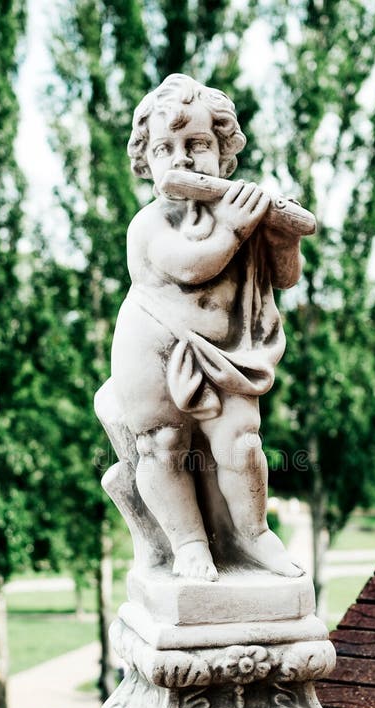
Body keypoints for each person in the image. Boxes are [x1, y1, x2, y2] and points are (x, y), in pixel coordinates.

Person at [106, 73, 303, 581]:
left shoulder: (236, 211)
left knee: (242, 442)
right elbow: (193, 265)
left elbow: (284, 277)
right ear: (145, 160)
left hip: (226, 354)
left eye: (197, 144)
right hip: (152, 349)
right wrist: (237, 227)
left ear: (223, 151)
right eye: (165, 147)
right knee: (164, 446)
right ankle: (188, 544)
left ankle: (254, 534)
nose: (183, 159)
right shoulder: (149, 223)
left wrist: (282, 238)